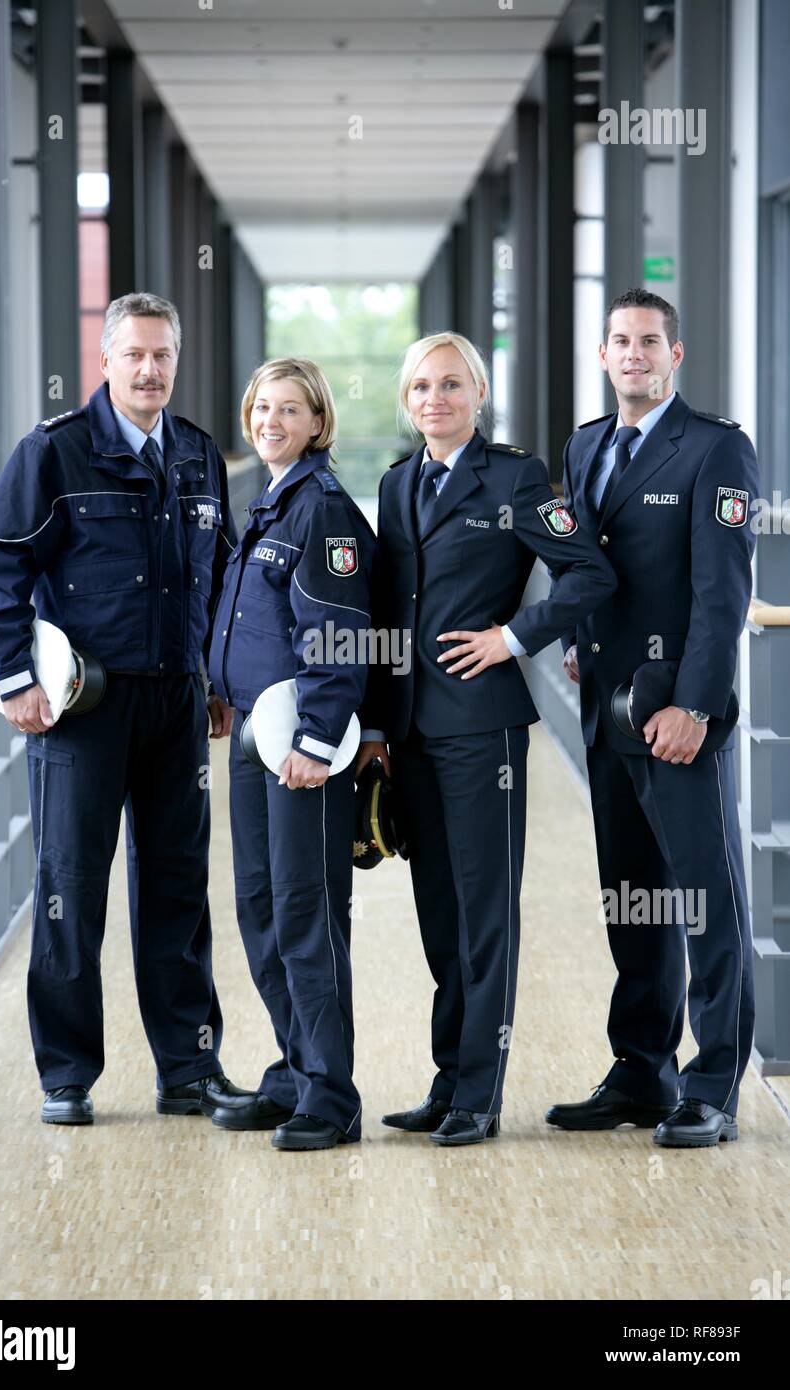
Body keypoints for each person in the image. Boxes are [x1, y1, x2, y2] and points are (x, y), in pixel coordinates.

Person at [0, 292, 251, 1125]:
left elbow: (223, 580)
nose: (151, 370)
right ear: (105, 361)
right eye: (135, 356)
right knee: (70, 889)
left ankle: (189, 1070)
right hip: (82, 710)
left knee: (178, 891)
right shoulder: (54, 453)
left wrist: (219, 676)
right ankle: (66, 1076)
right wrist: (15, 678)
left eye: (163, 356)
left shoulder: (196, 455)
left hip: (177, 704)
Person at [357, 331, 617, 1145]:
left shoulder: (514, 476)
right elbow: (387, 609)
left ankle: (481, 1093)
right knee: (439, 912)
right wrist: (373, 726)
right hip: (411, 733)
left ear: (478, 394)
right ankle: (447, 1079)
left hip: (483, 729)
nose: (435, 400)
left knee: (484, 914)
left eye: (451, 385)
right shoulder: (397, 484)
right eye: (422, 388)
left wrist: (514, 637)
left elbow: (591, 572)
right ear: (408, 402)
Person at [544, 287, 759, 1147]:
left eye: (648, 341)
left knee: (704, 901)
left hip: (676, 718)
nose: (632, 353)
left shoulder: (716, 449)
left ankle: (712, 1087)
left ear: (676, 356)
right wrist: (575, 639)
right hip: (606, 711)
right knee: (632, 899)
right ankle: (641, 1069)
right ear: (602, 356)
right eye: (619, 340)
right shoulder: (585, 444)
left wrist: (696, 707)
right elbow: (584, 568)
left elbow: (722, 597)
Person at [206, 357, 376, 1151]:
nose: (271, 421)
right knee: (259, 907)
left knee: (306, 914)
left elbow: (337, 637)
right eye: (261, 407)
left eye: (290, 409)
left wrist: (314, 741)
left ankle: (331, 1096)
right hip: (248, 729)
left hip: (299, 746)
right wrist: (217, 686)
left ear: (318, 423)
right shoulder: (267, 503)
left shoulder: (324, 510)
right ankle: (293, 1071)